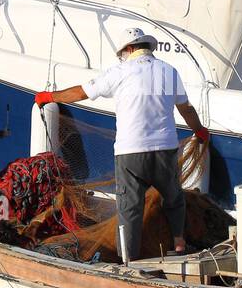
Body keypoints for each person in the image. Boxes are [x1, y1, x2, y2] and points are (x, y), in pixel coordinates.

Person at [34, 28, 209, 262]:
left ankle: (128, 260)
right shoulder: (169, 71)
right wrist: (199, 130)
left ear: (128, 49)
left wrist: (50, 97)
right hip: (165, 150)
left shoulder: (120, 71)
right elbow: (185, 108)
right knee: (173, 200)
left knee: (129, 208)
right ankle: (178, 247)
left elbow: (82, 92)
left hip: (131, 152)